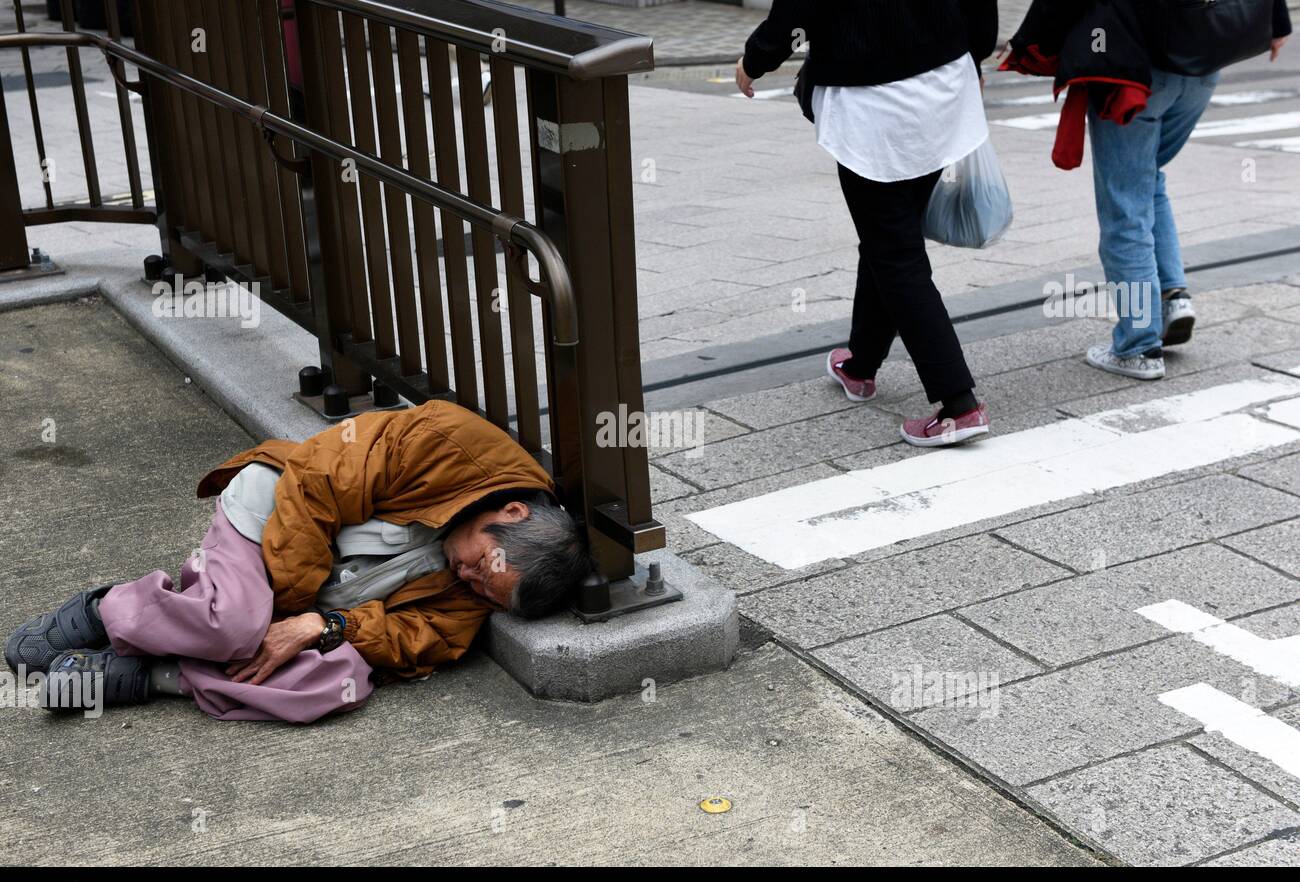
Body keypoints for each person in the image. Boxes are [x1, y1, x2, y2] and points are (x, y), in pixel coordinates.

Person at [4, 400, 593, 722]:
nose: (467, 581)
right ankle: (109, 611)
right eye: (478, 565)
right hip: (271, 518)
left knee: (342, 683)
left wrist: (324, 625)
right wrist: (284, 613)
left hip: (320, 604)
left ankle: (155, 676)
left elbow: (420, 640)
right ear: (512, 511)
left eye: (484, 593)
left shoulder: (484, 586)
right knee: (235, 622)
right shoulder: (446, 441)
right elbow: (315, 483)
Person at [736, 0, 999, 448]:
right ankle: (860, 365)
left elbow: (799, 7)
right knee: (888, 236)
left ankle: (960, 403)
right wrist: (974, 54)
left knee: (895, 251)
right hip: (944, 82)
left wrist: (756, 58)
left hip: (872, 98)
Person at [1004, 0, 1292, 380]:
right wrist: (1277, 21)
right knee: (1145, 177)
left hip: (1136, 70)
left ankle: (1137, 346)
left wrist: (1026, 42)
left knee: (1125, 207)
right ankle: (1172, 298)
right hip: (1204, 61)